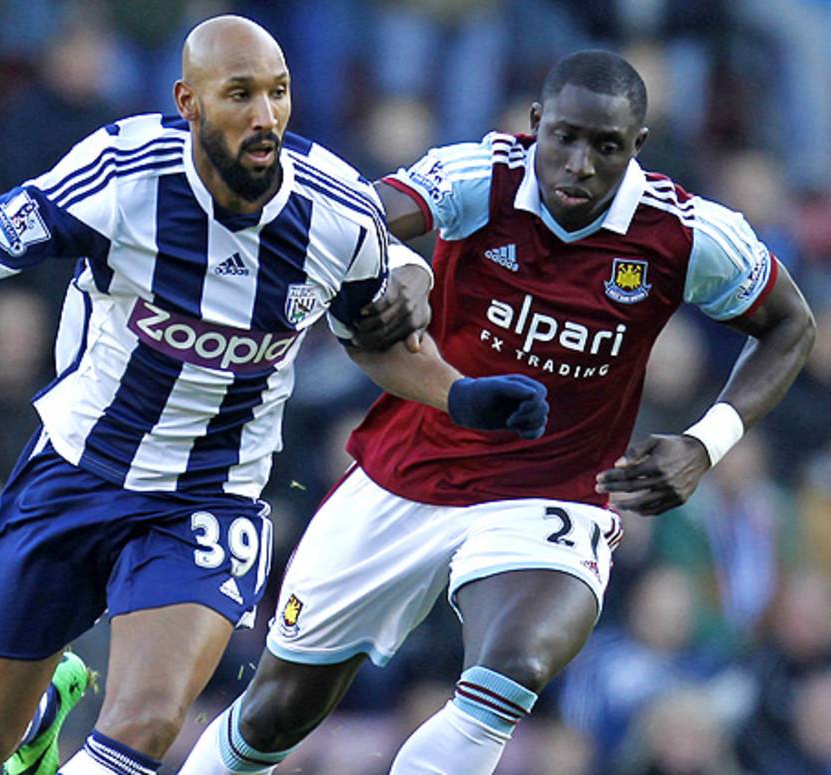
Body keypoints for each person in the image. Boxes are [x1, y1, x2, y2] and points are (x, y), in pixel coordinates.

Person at [0, 15, 550, 775]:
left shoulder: (337, 216)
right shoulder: (121, 176)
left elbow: (380, 345)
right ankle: (48, 708)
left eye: (279, 91)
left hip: (212, 493)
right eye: (239, 93)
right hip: (77, 469)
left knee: (147, 723)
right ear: (187, 102)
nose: (266, 115)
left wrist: (460, 396)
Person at [178, 49, 816, 775]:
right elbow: (353, 218)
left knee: (517, 664)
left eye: (606, 147)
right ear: (536, 123)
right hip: (405, 473)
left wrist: (707, 443)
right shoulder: (478, 177)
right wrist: (409, 268)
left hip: (551, 493)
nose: (579, 164)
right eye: (566, 137)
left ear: (636, 146)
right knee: (276, 710)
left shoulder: (686, 232)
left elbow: (792, 325)